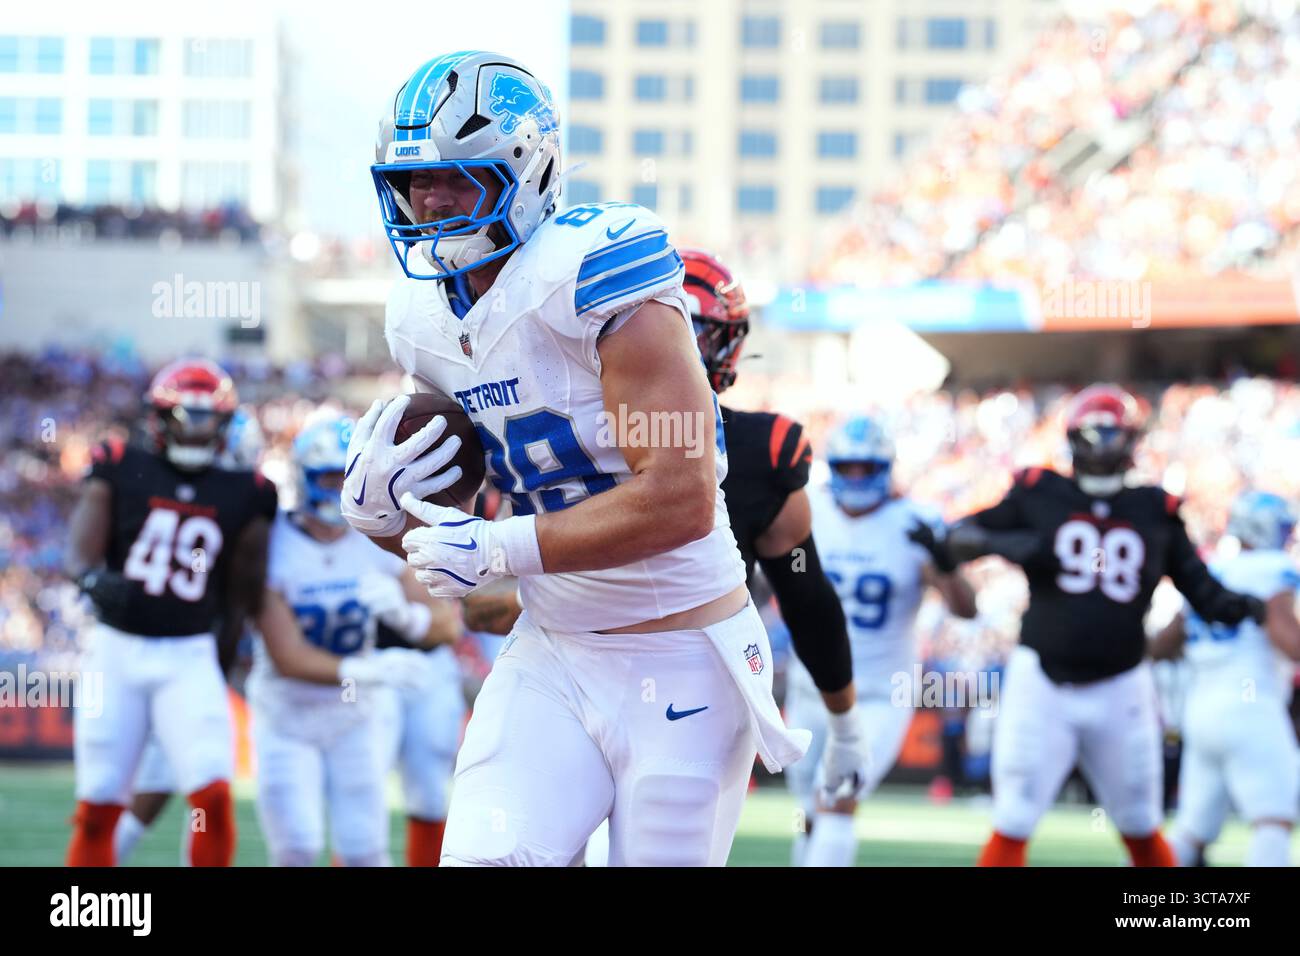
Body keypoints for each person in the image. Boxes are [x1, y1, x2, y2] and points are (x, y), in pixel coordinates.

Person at [342, 50, 809, 866]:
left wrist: (496, 548)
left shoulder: (597, 270)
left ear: (528, 172)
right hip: (554, 646)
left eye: (460, 178)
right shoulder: (418, 314)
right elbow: (458, 538)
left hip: (683, 654)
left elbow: (680, 497)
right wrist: (390, 519)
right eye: (416, 183)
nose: (431, 201)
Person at [936, 384, 1266, 867]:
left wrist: (1248, 607)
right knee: (1014, 814)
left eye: (1113, 433)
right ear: (1073, 437)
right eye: (1094, 433)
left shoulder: (1155, 508)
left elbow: (1203, 589)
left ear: (1132, 440)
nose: (1103, 444)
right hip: (1042, 680)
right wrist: (1020, 547)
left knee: (1138, 819)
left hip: (1121, 685)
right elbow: (960, 536)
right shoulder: (1040, 492)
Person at [65, 359, 276, 866]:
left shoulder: (249, 492)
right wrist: (91, 577)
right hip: (116, 651)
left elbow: (240, 591)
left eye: (208, 418)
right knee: (97, 806)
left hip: (189, 653)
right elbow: (81, 548)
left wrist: (220, 660)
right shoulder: (120, 463)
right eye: (187, 416)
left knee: (213, 797)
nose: (197, 429)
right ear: (160, 416)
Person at [247, 415, 458, 866]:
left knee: (365, 850)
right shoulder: (271, 542)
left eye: (347, 477)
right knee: (297, 848)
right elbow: (287, 656)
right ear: (303, 478)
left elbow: (447, 625)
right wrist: (367, 670)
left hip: (354, 717)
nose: (338, 489)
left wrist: (407, 618)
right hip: (287, 716)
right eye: (327, 476)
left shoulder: (376, 536)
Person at [786, 415, 977, 866]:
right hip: (807, 687)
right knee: (808, 813)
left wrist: (945, 564)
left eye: (864, 467)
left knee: (836, 801)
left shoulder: (916, 522)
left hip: (876, 695)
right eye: (847, 467)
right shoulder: (806, 511)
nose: (854, 477)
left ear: (884, 467)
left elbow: (966, 609)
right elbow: (771, 582)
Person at [1152, 491, 1300, 866]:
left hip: (1201, 710)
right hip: (1251, 707)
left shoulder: (1214, 569)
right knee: (1273, 820)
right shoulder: (1271, 568)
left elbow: (1166, 642)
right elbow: (1287, 639)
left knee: (1190, 832)